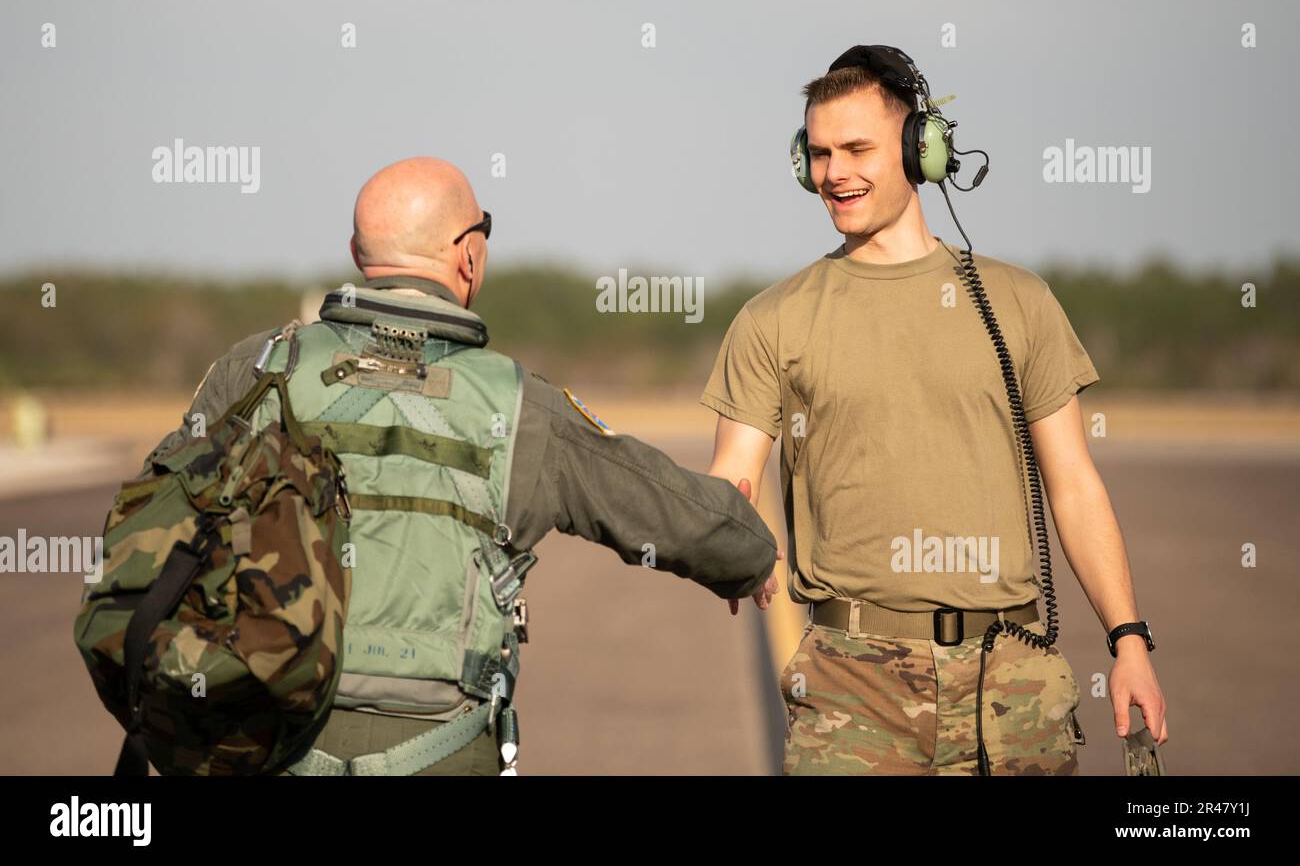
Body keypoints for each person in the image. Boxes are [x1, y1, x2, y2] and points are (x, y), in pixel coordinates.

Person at [138, 156, 779, 775]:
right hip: (441, 746)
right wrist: (748, 551)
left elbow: (152, 533)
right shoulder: (521, 405)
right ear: (468, 253)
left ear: (361, 257)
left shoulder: (254, 371)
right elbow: (666, 512)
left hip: (262, 737)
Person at [702, 45, 1167, 775]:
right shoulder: (773, 321)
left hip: (1012, 683)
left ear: (923, 149)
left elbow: (1074, 485)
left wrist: (1129, 639)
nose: (835, 173)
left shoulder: (1019, 301)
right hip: (851, 689)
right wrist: (731, 541)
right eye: (819, 153)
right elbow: (735, 475)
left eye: (857, 148)